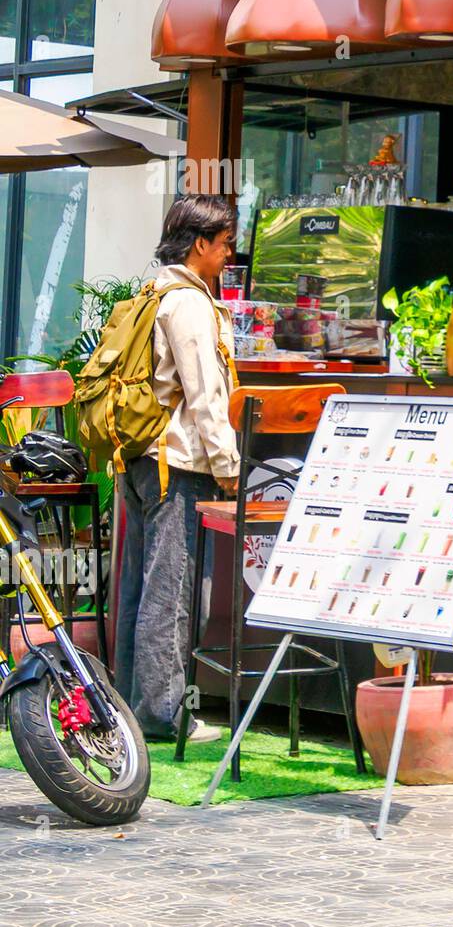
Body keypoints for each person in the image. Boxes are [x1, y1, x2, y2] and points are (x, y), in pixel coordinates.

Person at [115, 195, 240, 742]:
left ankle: (127, 707)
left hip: (143, 458)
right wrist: (228, 463)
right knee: (173, 586)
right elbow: (206, 393)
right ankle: (166, 715)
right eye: (225, 243)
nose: (229, 254)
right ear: (200, 244)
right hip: (178, 464)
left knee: (141, 587)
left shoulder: (152, 291)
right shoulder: (187, 303)